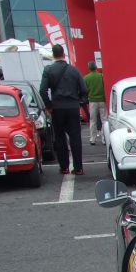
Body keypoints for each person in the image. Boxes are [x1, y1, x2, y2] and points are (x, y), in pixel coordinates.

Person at [39, 44, 88, 175]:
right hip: (72, 107)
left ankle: (64, 167)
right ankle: (78, 167)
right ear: (64, 54)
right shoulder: (74, 70)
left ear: (53, 55)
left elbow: (42, 90)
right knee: (75, 138)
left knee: (60, 138)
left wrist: (49, 105)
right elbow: (83, 89)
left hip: (57, 107)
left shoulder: (48, 70)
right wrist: (79, 101)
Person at [84, 61, 105, 145]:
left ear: (89, 68)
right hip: (102, 100)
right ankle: (104, 139)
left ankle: (93, 139)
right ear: (96, 67)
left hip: (92, 101)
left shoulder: (86, 78)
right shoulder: (101, 76)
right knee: (104, 120)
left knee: (93, 120)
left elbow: (85, 90)